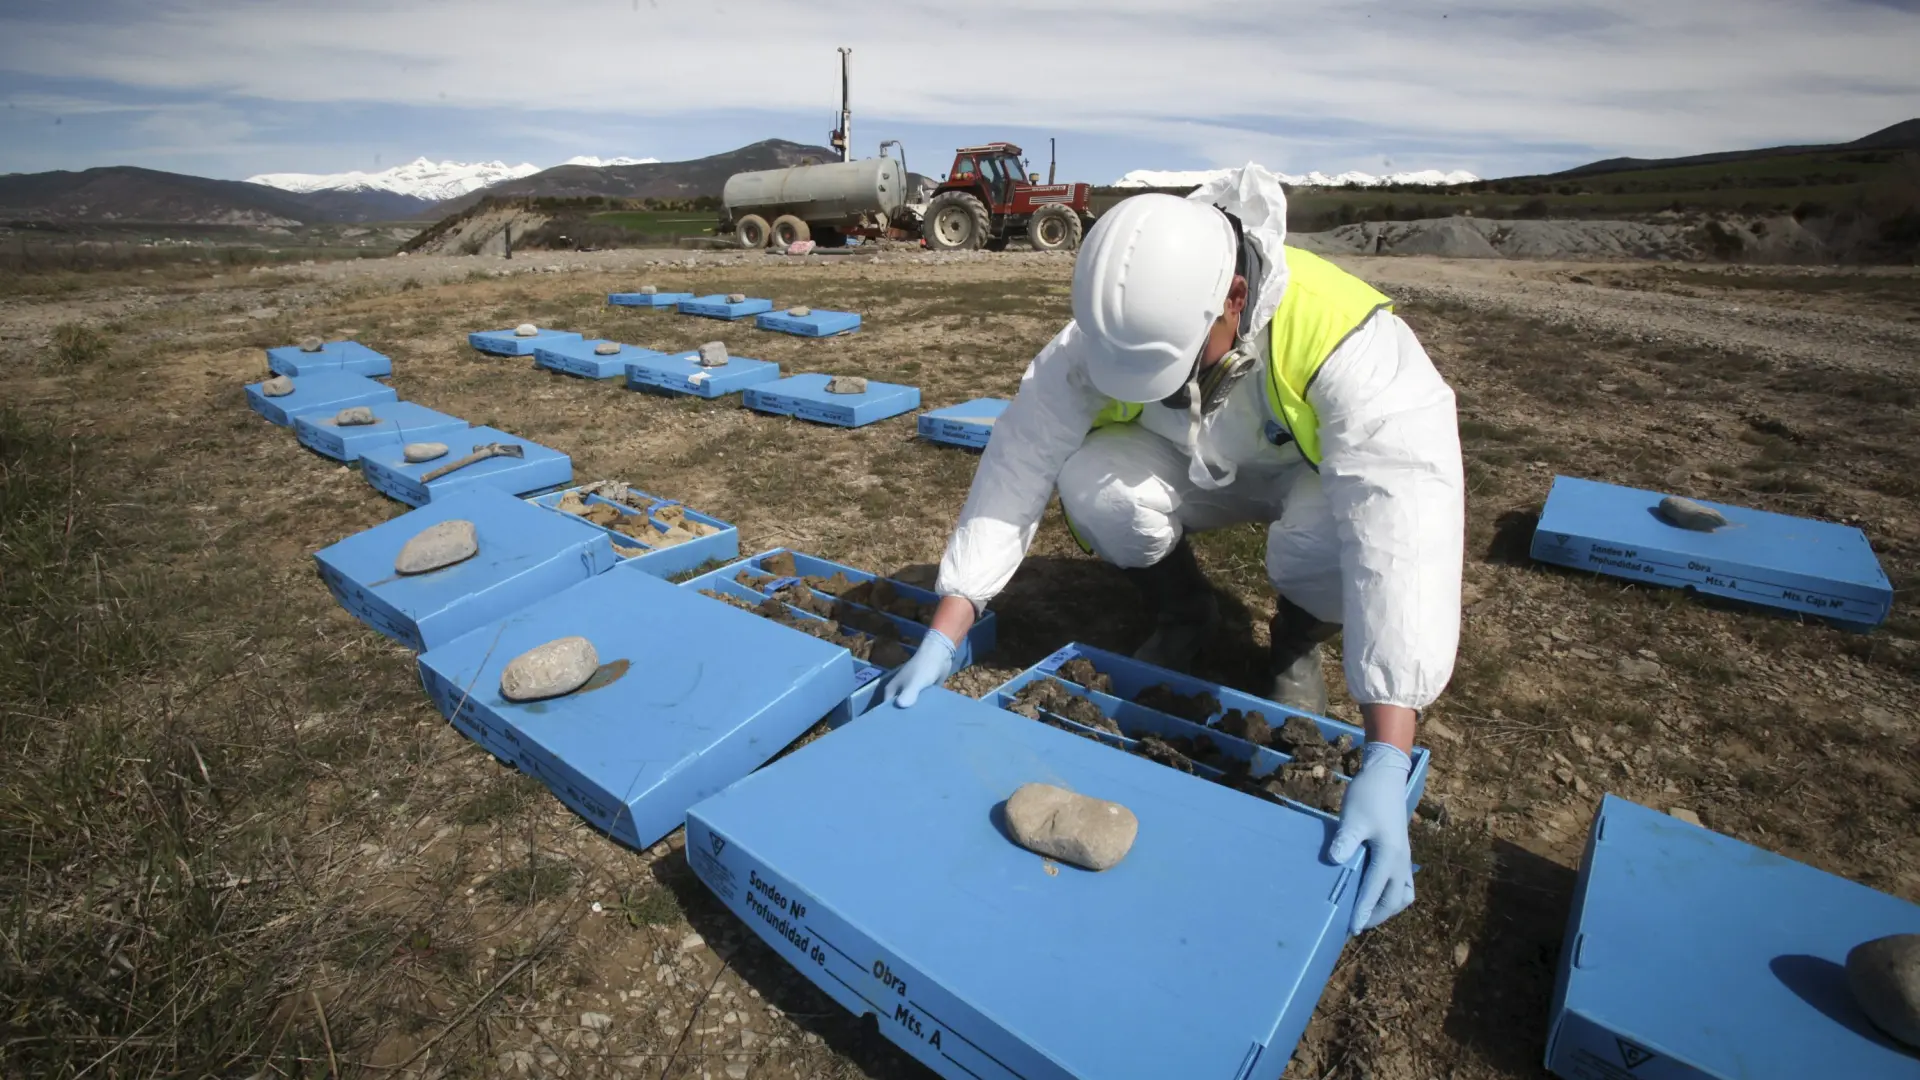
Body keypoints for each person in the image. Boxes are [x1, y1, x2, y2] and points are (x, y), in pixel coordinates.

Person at [882, 164, 1465, 934]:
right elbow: (1019, 457)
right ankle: (1183, 611)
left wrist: (1389, 748)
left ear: (1231, 298)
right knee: (1094, 482)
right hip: (1192, 463)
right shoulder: (1109, 323)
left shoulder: (1348, 339)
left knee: (1325, 540)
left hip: (1310, 482)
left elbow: (1404, 521)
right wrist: (949, 625)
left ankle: (1294, 646)